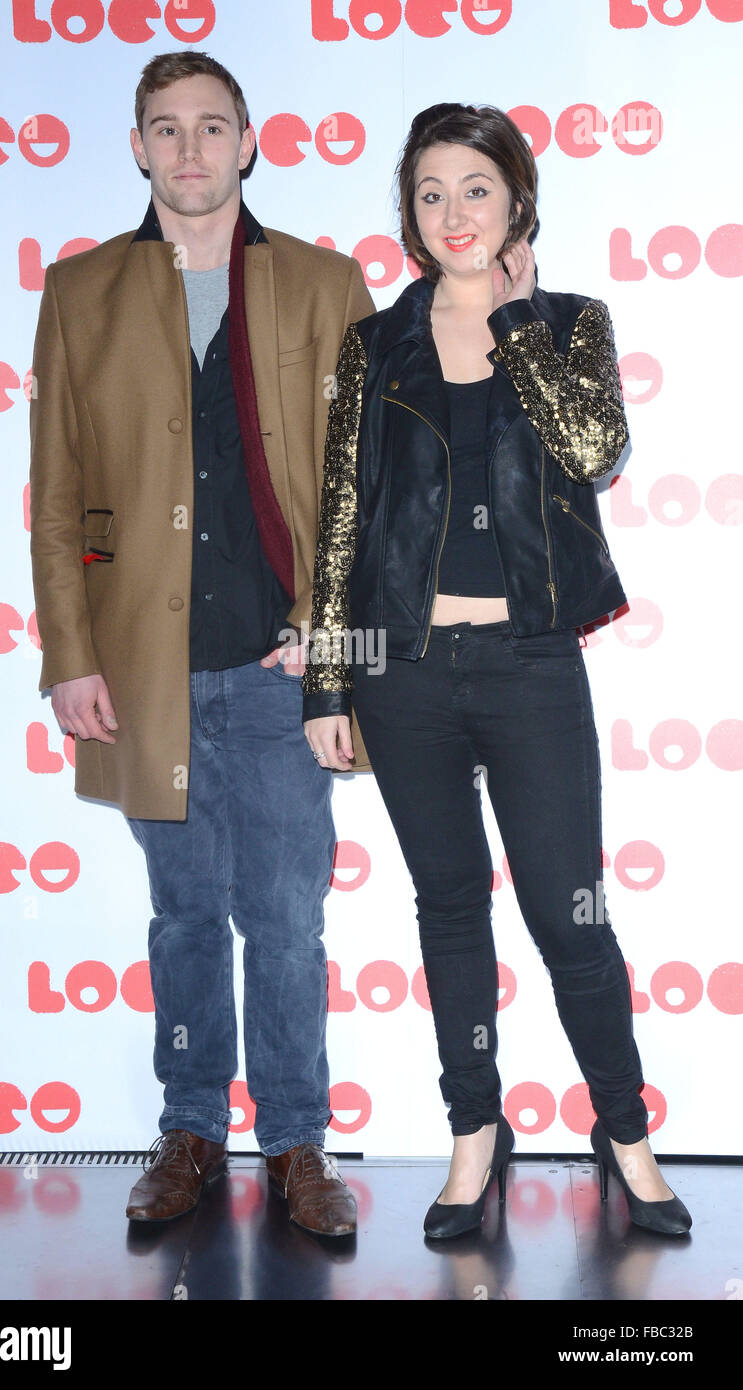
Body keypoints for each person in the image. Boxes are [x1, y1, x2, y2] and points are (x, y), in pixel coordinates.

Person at [302, 103, 691, 1238]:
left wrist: (517, 322)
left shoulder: (569, 322)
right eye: (429, 193)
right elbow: (342, 522)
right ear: (408, 216)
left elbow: (593, 450)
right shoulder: (375, 346)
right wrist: (331, 681)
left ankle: (623, 1131)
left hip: (529, 667)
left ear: (517, 200)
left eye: (474, 188)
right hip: (407, 674)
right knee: (448, 909)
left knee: (572, 917)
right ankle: (476, 1130)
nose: (452, 213)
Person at [28, 50, 373, 1237]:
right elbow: (58, 491)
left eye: (210, 127)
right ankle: (188, 1130)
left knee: (285, 919)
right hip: (142, 671)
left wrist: (336, 642)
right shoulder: (79, 294)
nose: (188, 151)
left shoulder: (328, 287)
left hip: (283, 671)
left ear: (248, 141)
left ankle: (294, 1143)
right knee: (180, 916)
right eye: (165, 130)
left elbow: (365, 491)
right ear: (136, 147)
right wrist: (69, 654)